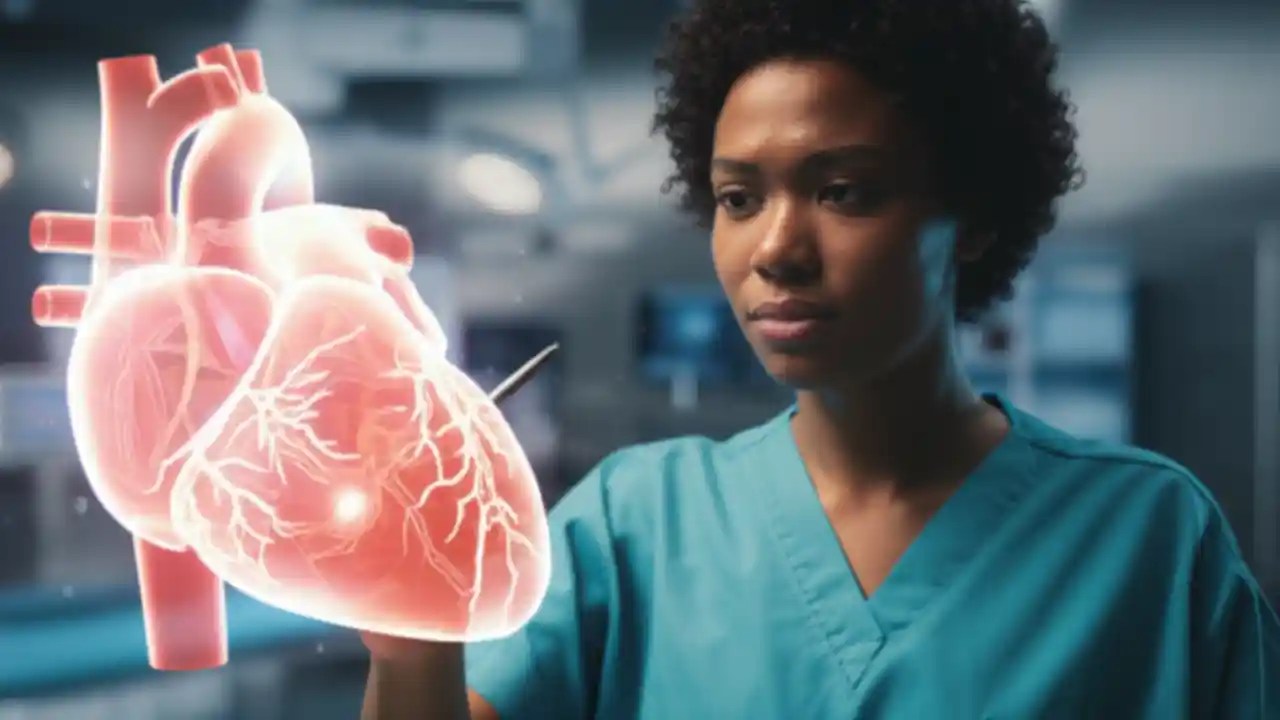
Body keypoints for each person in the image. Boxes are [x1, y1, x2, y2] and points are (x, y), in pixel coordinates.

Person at [361, 0, 1280, 717]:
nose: (776, 249)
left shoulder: (1148, 539)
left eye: (843, 191)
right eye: (737, 197)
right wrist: (411, 633)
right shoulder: (631, 527)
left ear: (972, 217)